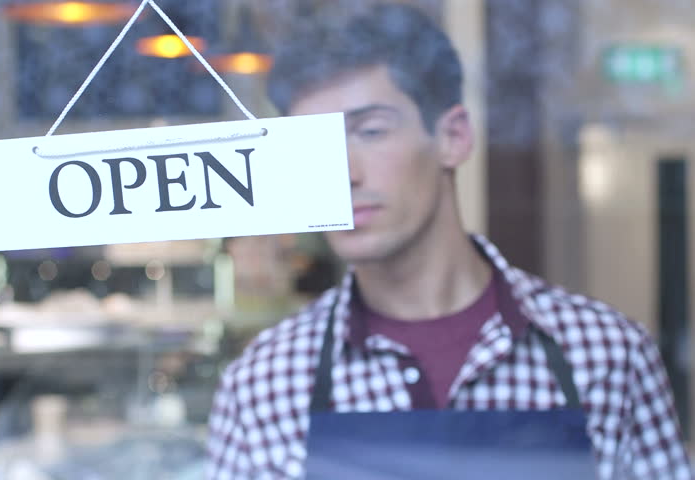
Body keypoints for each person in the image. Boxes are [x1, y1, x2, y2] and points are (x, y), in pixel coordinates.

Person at [207, 4, 692, 479]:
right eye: (315, 147)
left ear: (453, 137)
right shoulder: (262, 384)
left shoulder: (607, 355)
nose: (343, 174)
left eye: (370, 132)